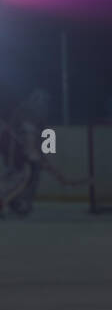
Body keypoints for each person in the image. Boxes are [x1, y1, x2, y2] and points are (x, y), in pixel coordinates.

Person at [1, 89, 51, 218]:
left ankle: (20, 203)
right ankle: (12, 202)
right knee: (18, 179)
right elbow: (11, 135)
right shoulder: (21, 112)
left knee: (31, 179)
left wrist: (44, 156)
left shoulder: (41, 119)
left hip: (29, 155)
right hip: (18, 155)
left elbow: (45, 138)